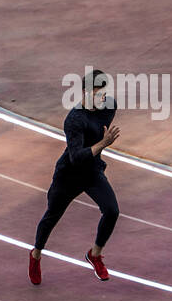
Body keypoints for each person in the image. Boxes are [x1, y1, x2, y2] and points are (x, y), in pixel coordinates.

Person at [28, 69, 121, 284]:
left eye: (104, 93)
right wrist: (102, 144)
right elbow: (76, 156)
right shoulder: (74, 119)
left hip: (92, 172)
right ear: (86, 93)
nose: (103, 98)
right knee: (52, 217)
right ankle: (35, 255)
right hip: (69, 175)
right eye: (98, 93)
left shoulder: (109, 106)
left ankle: (95, 254)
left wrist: (99, 146)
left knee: (112, 211)